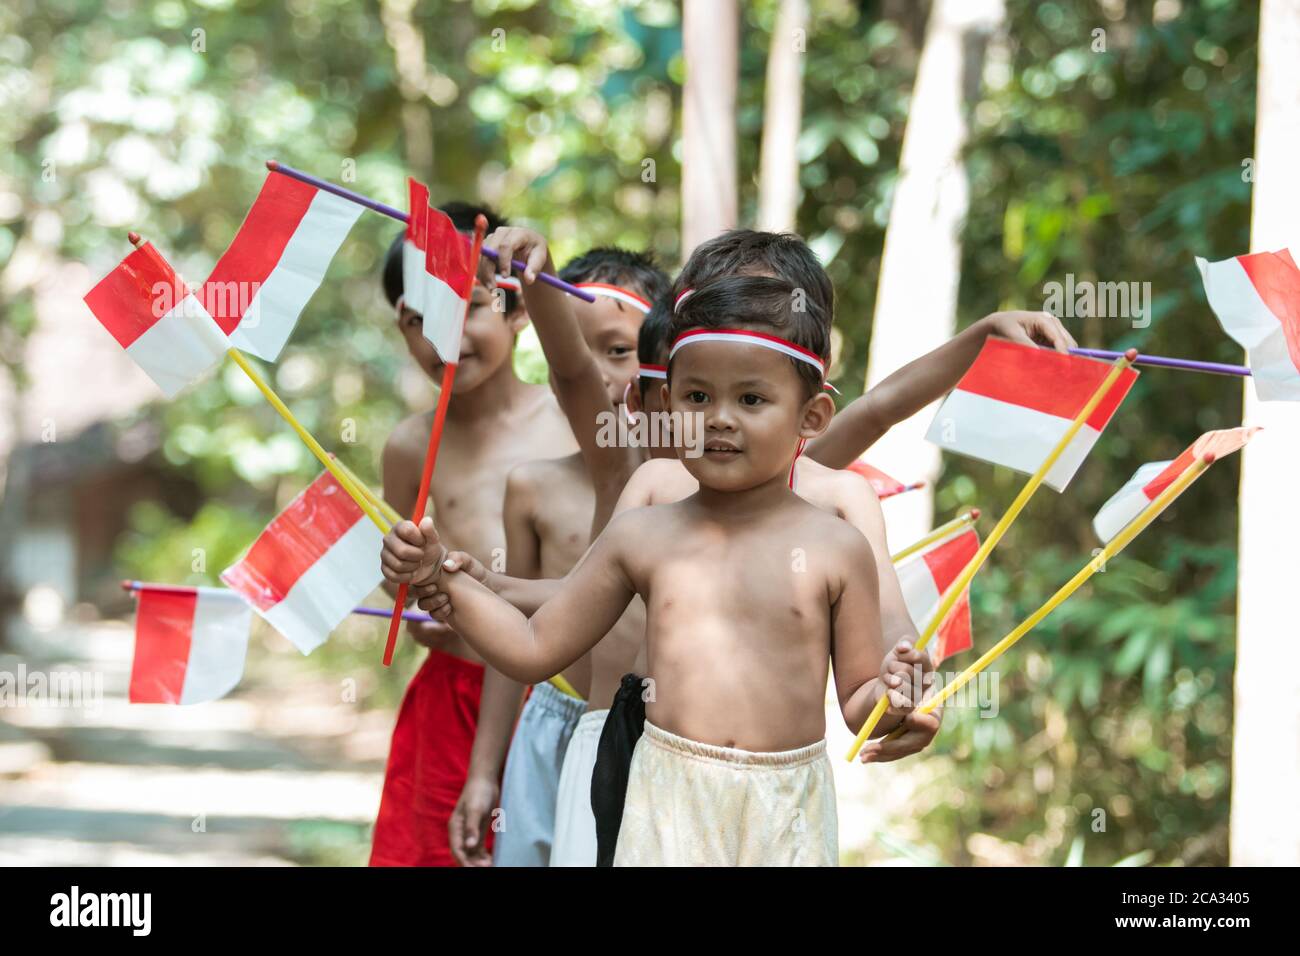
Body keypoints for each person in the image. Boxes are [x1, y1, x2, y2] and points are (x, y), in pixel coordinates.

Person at [387, 274, 933, 865]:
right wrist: (441, 580)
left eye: (751, 399)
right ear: (665, 405)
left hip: (788, 812)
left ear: (813, 415)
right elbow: (533, 645)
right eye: (697, 397)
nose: (719, 419)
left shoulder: (837, 547)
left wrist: (894, 696)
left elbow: (858, 703)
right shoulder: (643, 535)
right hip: (662, 803)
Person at [368, 202, 578, 867]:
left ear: (516, 309)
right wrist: (411, 587)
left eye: (470, 307)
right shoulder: (409, 447)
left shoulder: (573, 423)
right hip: (453, 691)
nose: (446, 336)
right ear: (403, 326)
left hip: (560, 690)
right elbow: (400, 573)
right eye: (422, 318)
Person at [450, 242, 668, 867]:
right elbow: (518, 639)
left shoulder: (686, 482)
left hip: (652, 734)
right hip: (551, 720)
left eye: (620, 350)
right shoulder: (540, 484)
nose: (600, 373)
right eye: (575, 348)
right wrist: (483, 772)